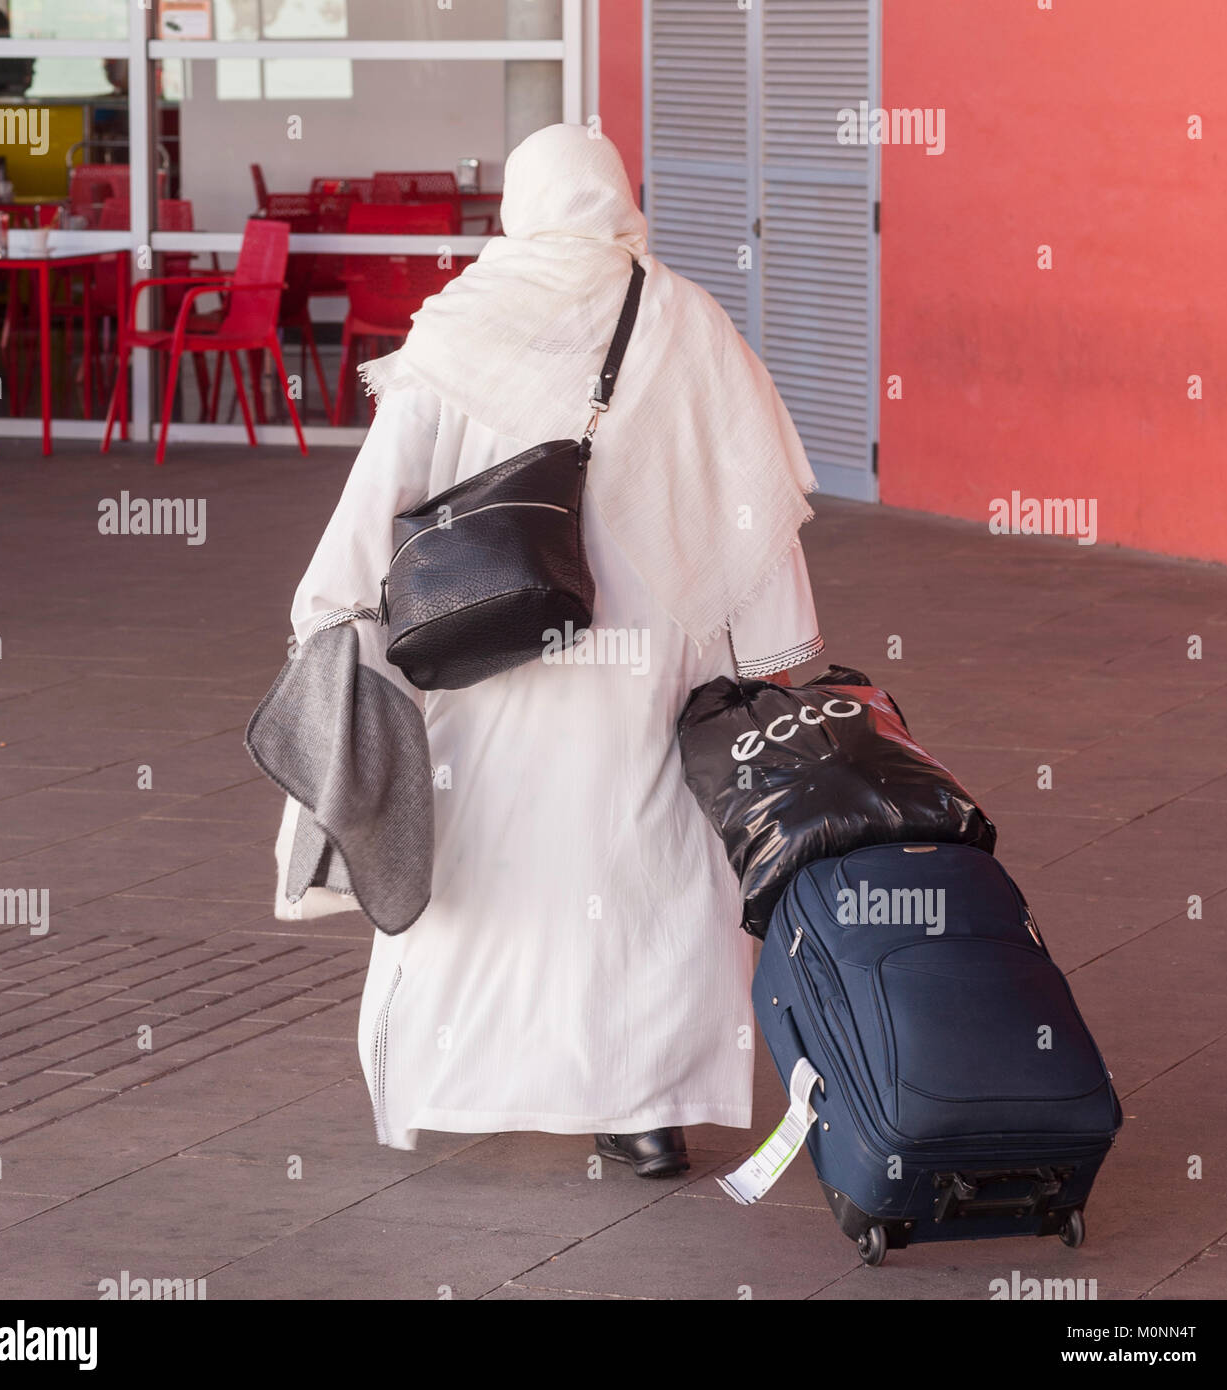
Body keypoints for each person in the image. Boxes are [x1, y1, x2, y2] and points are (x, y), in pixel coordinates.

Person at [279, 124, 824, 1177]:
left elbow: (382, 491)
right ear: (619, 197)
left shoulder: (467, 320)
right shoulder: (683, 319)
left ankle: (460, 1073)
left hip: (489, 648)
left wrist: (334, 613)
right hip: (655, 658)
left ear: (522, 204)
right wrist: (765, 660)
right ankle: (645, 1110)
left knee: (488, 865)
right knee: (648, 865)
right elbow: (748, 500)